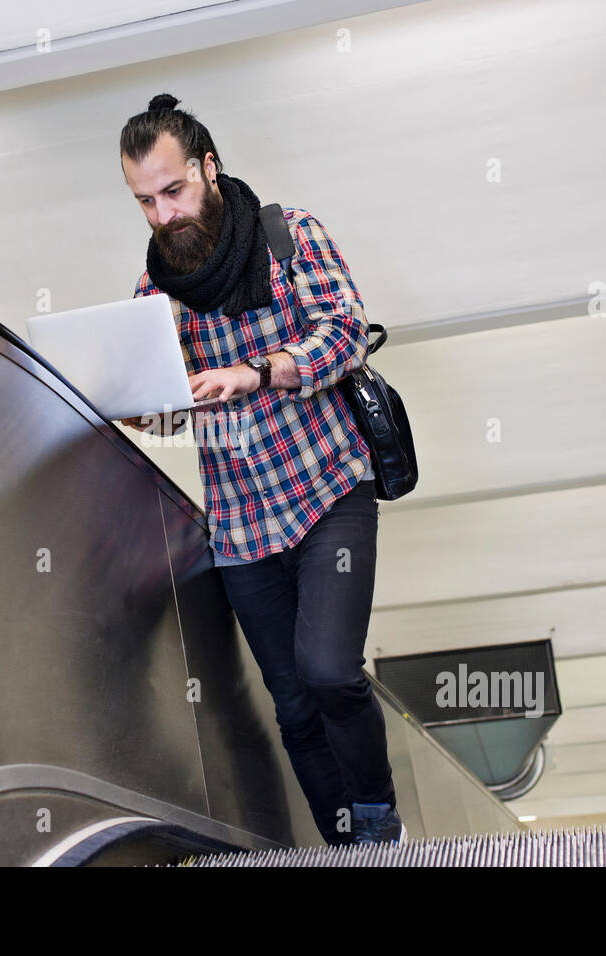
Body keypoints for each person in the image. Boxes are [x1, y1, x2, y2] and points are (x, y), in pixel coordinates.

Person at [117, 92, 404, 846]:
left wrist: (261, 370)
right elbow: (180, 408)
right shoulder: (156, 292)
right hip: (242, 525)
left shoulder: (287, 235)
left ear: (209, 168)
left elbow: (346, 336)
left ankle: (379, 823)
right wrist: (148, 411)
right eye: (145, 201)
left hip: (328, 488)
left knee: (330, 671)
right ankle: (343, 849)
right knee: (292, 705)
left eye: (173, 190)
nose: (163, 214)